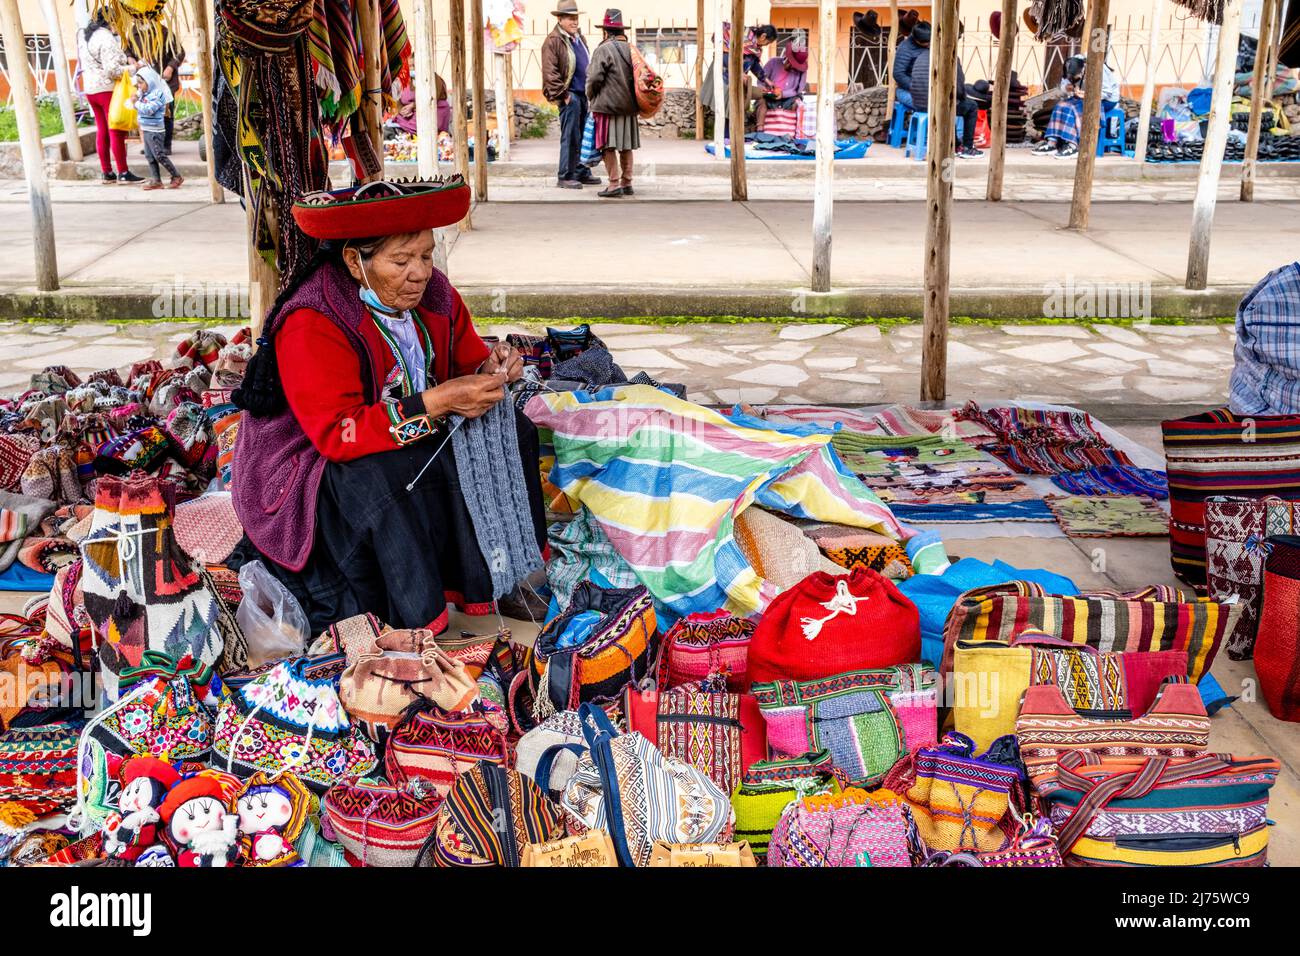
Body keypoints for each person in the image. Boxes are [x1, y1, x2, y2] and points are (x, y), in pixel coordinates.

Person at [229, 177, 547, 634]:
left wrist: (493, 365)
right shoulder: (313, 319)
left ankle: (503, 574)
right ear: (355, 262)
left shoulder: (433, 293)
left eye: (426, 255)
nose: (419, 272)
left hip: (399, 425)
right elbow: (339, 434)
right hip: (311, 463)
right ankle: (415, 610)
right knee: (383, 477)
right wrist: (438, 402)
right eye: (401, 260)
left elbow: (466, 355)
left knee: (511, 429)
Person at [77, 16, 142, 184]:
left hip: (91, 90)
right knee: (116, 128)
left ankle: (107, 172)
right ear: (112, 21)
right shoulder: (106, 37)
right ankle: (123, 172)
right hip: (107, 89)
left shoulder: (86, 35)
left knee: (102, 130)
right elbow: (113, 70)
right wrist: (135, 67)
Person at [542, 1, 600, 189]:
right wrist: (564, 95)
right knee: (570, 136)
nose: (574, 21)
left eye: (576, 18)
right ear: (560, 19)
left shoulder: (578, 38)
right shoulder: (553, 41)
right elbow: (550, 73)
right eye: (570, 18)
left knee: (584, 136)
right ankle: (565, 175)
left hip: (583, 95)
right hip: (570, 96)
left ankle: (581, 172)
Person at [586, 8, 640, 198]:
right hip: (629, 107)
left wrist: (590, 96)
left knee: (607, 146)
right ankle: (627, 182)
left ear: (605, 31)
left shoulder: (603, 49)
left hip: (607, 107)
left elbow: (593, 79)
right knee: (626, 146)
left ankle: (614, 184)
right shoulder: (631, 49)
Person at [908, 26, 982, 157]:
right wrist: (963, 97)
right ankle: (967, 147)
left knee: (950, 105)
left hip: (919, 104)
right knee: (971, 106)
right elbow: (959, 88)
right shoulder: (950, 56)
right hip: (936, 104)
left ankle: (955, 144)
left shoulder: (920, 56)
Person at [1032, 54, 1120, 158]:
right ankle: (1052, 143)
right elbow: (1063, 87)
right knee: (1060, 106)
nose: (1075, 79)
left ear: (1083, 69)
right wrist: (1067, 88)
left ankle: (1073, 145)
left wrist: (1087, 94)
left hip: (1107, 100)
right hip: (1083, 97)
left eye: (1077, 77)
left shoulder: (1097, 67)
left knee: (1073, 108)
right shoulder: (1071, 64)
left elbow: (1107, 92)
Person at [131, 66, 183, 190]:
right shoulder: (145, 93)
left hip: (155, 131)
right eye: (137, 83)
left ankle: (176, 176)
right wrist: (136, 97)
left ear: (150, 81)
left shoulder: (158, 95)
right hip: (147, 129)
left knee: (159, 155)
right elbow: (137, 97)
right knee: (149, 156)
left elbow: (149, 110)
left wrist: (136, 103)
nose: (138, 86)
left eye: (140, 83)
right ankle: (156, 180)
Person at [758, 35, 809, 131]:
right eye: (789, 62)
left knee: (797, 103)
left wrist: (783, 94)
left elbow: (798, 90)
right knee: (761, 101)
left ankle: (791, 131)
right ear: (786, 57)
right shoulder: (773, 62)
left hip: (789, 99)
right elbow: (761, 79)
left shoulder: (802, 71)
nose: (791, 66)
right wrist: (764, 90)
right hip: (770, 97)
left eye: (794, 65)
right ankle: (760, 129)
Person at [891, 19, 928, 112]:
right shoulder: (905, 48)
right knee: (931, 106)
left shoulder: (930, 42)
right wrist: (917, 87)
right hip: (906, 91)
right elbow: (898, 74)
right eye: (927, 43)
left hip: (929, 90)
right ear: (917, 40)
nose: (929, 44)